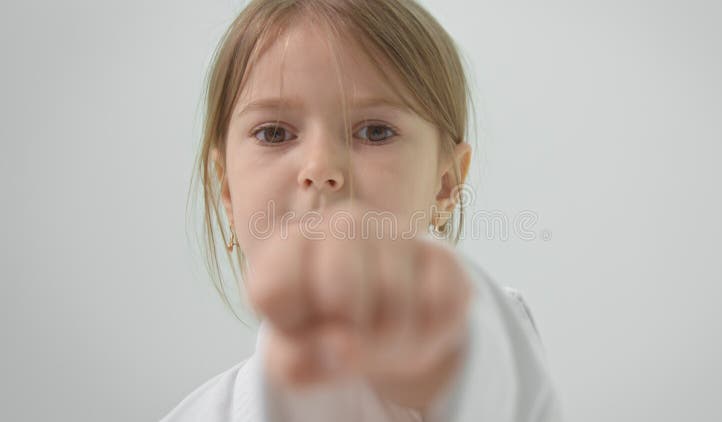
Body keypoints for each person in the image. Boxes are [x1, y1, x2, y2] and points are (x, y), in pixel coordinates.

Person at [162, 0, 564, 420]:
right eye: (274, 133)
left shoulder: (483, 350)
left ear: (445, 185)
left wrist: (450, 354)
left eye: (374, 131)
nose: (319, 167)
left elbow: (498, 366)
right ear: (227, 189)